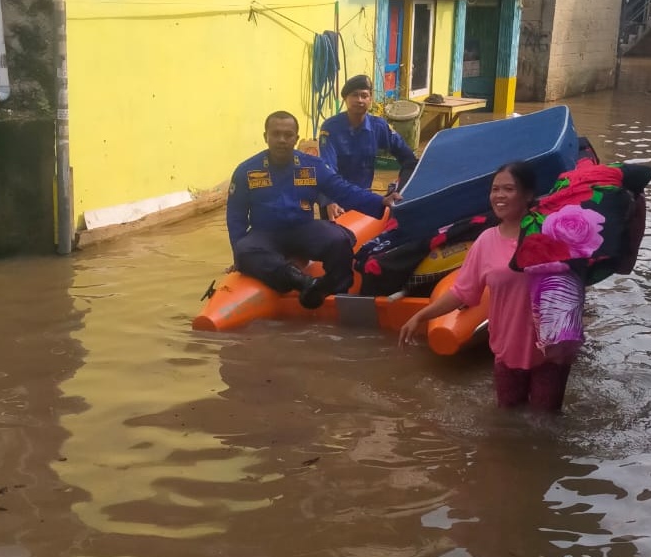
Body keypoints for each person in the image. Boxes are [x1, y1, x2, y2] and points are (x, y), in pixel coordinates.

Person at [397, 162, 582, 411]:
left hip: (551, 351)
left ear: (528, 194)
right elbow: (461, 292)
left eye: (509, 189)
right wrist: (421, 316)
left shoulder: (551, 233)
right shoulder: (485, 241)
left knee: (544, 425)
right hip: (507, 350)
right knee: (508, 420)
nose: (500, 196)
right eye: (495, 189)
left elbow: (579, 278)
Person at [227, 111, 402, 309]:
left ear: (296, 138)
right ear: (265, 136)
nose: (282, 140)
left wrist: (380, 202)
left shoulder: (312, 166)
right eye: (276, 134)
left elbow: (343, 190)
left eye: (288, 134)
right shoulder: (246, 171)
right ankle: (303, 282)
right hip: (265, 234)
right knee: (244, 251)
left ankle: (336, 289)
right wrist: (238, 257)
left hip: (303, 229)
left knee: (339, 240)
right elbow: (236, 216)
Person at [318, 74, 418, 219]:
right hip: (336, 197)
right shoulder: (331, 128)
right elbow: (327, 169)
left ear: (370, 99)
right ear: (345, 99)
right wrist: (330, 200)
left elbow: (408, 159)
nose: (359, 100)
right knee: (334, 238)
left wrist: (401, 188)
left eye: (364, 96)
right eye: (354, 95)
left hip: (364, 199)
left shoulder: (379, 126)